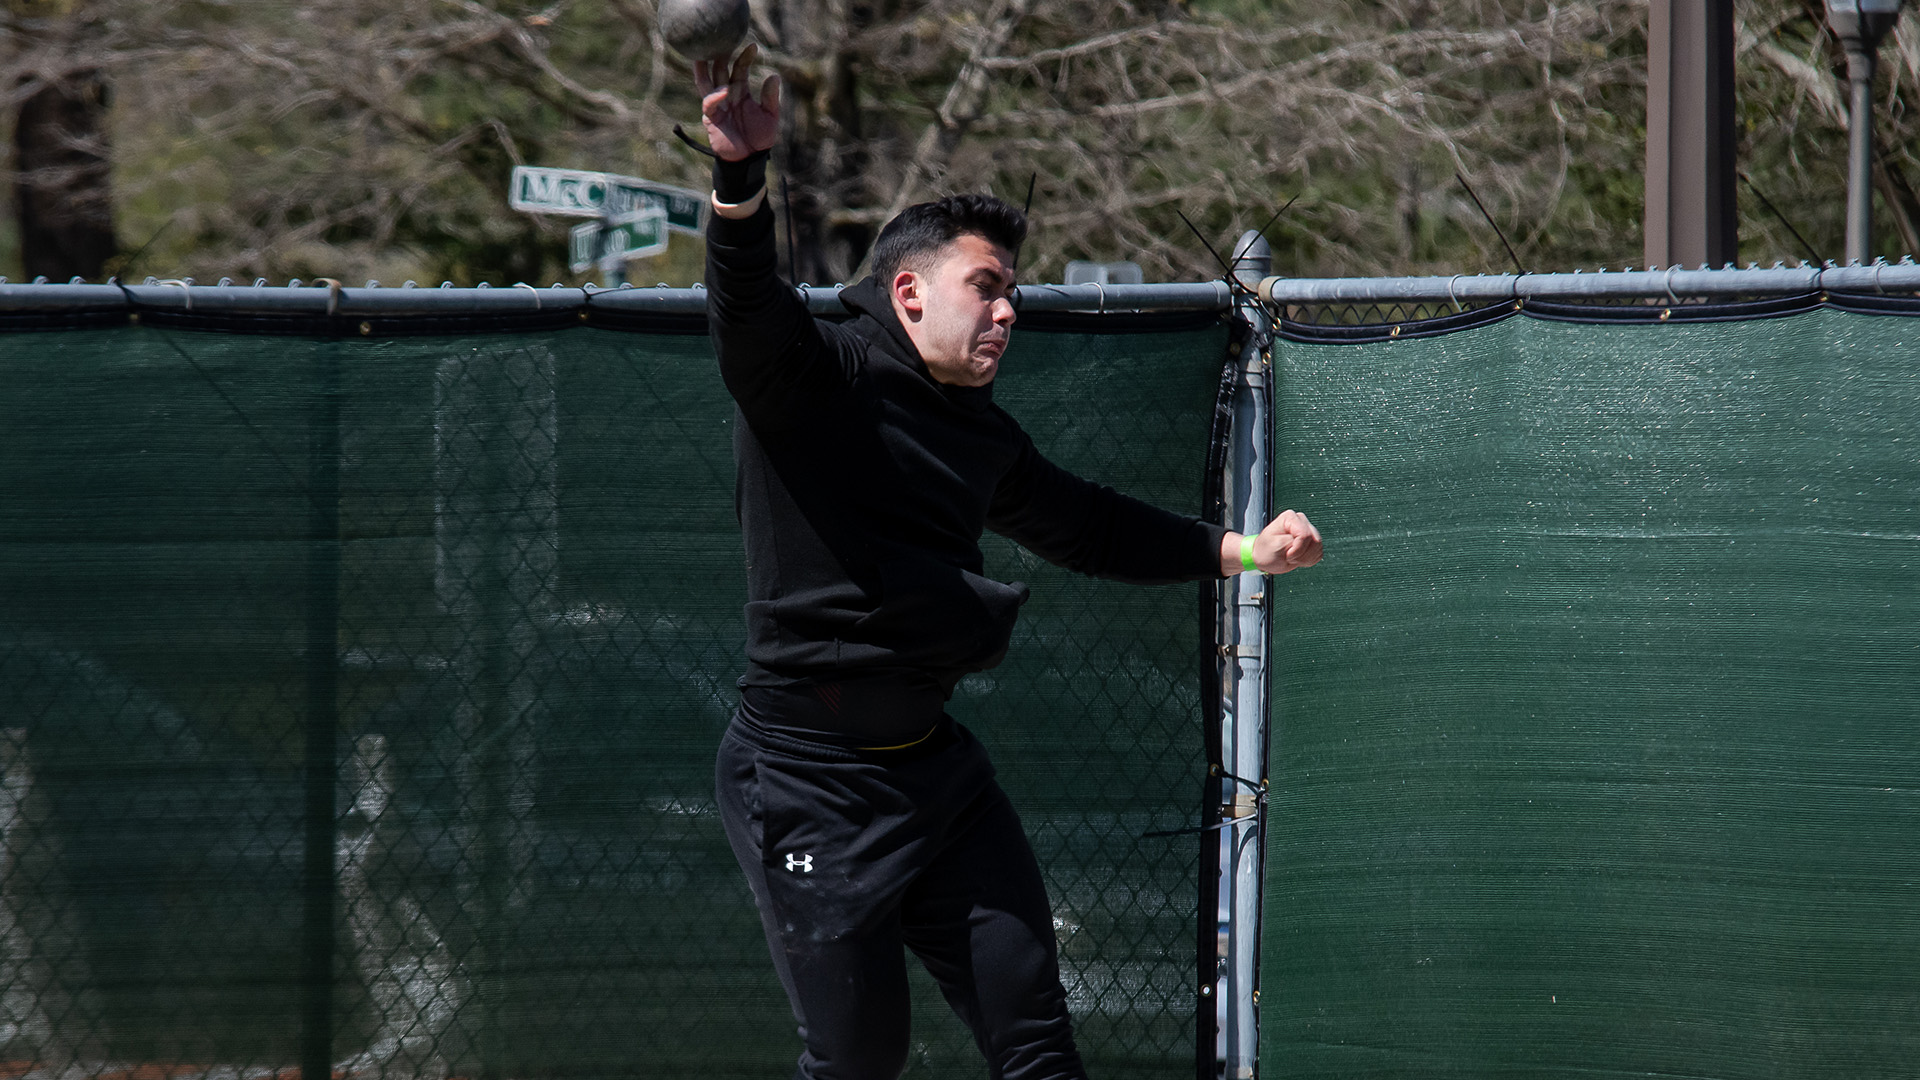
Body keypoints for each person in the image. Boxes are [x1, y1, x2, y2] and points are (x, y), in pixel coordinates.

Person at [695, 45, 1322, 1080]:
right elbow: (747, 306)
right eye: (985, 287)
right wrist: (737, 179)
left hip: (936, 782)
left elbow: (1088, 523)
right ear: (906, 292)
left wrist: (1240, 548)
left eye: (1013, 294)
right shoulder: (816, 378)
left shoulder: (978, 434)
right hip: (804, 783)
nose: (1007, 312)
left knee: (1035, 1044)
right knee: (857, 1058)